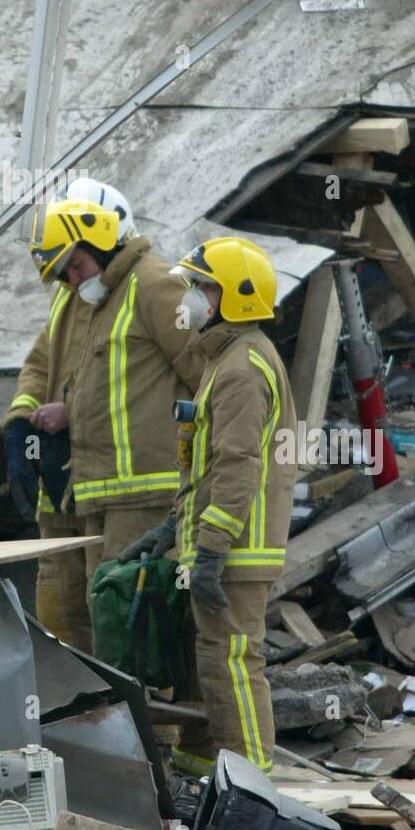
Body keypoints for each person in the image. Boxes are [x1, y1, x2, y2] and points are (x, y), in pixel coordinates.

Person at [120, 236, 298, 777]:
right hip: (223, 544)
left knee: (235, 662)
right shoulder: (226, 360)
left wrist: (214, 551)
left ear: (233, 298)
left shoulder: (241, 368)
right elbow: (204, 465)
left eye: (202, 287)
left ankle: (253, 778)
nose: (190, 298)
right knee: (211, 659)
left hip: (237, 548)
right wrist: (174, 527)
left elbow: (237, 463)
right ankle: (212, 759)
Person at [16, 195, 205, 651]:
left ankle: (153, 725)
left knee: (130, 629)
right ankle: (108, 721)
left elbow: (207, 374)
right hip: (102, 490)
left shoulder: (155, 285)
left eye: (76, 266)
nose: (73, 281)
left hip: (145, 492)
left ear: (100, 243)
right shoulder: (102, 298)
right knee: (105, 623)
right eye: (65, 274)